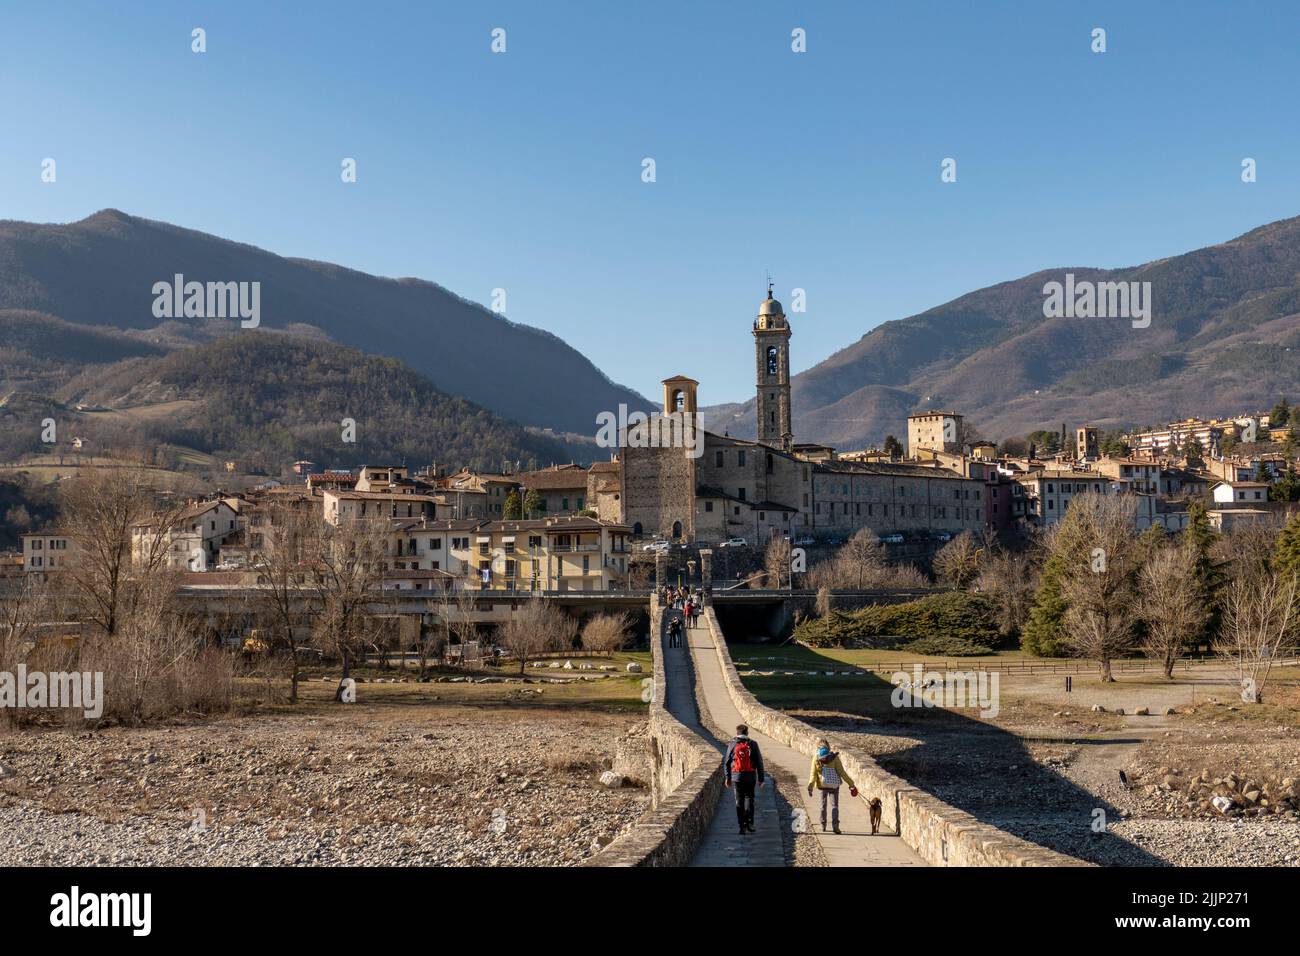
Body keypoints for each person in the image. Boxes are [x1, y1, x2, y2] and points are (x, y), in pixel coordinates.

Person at [807, 739, 858, 834]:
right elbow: (842, 773)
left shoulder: (816, 757)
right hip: (834, 785)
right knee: (834, 806)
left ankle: (823, 824)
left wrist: (810, 786)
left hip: (822, 785)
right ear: (828, 746)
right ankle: (835, 827)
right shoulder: (834, 757)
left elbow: (813, 774)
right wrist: (851, 784)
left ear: (818, 746)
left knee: (823, 805)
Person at [724, 723, 765, 835]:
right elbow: (759, 762)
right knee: (749, 799)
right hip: (750, 777)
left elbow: (727, 762)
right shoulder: (753, 744)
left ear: (737, 733)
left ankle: (741, 827)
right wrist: (761, 779)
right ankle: (750, 823)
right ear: (747, 733)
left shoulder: (732, 744)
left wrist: (727, 777)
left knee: (739, 801)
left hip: (737, 777)